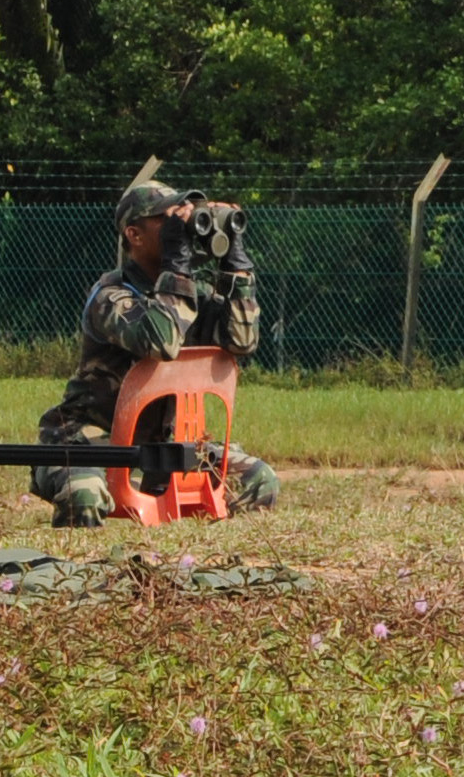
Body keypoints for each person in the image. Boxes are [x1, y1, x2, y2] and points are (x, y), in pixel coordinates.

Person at [32, 178, 281, 527]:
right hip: (89, 438)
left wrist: (236, 266)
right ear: (135, 235)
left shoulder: (191, 293)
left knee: (259, 479)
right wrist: (177, 261)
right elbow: (160, 341)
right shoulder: (111, 297)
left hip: (165, 445)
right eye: (167, 220)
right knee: (84, 497)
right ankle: (79, 564)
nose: (181, 224)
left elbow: (241, 340)